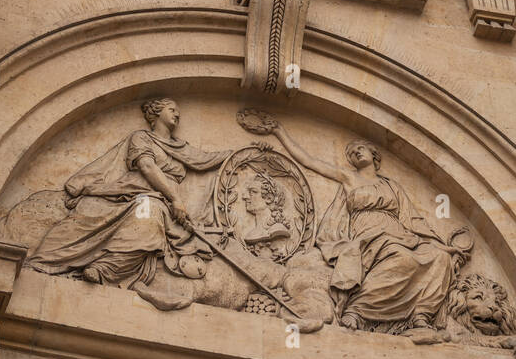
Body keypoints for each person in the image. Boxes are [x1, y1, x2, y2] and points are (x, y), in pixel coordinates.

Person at [260, 120, 470, 339]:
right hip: (370, 235)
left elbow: (413, 219)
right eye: (351, 153)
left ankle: (421, 315)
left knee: (440, 258)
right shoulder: (349, 177)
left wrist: (442, 245)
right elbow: (309, 161)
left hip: (400, 233)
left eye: (360, 148)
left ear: (374, 153)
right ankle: (358, 310)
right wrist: (279, 132)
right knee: (400, 258)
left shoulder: (392, 186)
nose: (355, 153)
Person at [27, 97, 229, 288]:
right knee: (139, 210)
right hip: (134, 192)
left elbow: (206, 160)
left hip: (160, 200)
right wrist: (176, 199)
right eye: (172, 109)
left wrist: (248, 152)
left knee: (150, 216)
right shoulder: (141, 138)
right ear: (157, 113)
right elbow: (147, 167)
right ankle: (47, 259)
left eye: (178, 111)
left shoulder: (181, 147)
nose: (178, 114)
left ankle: (104, 269)